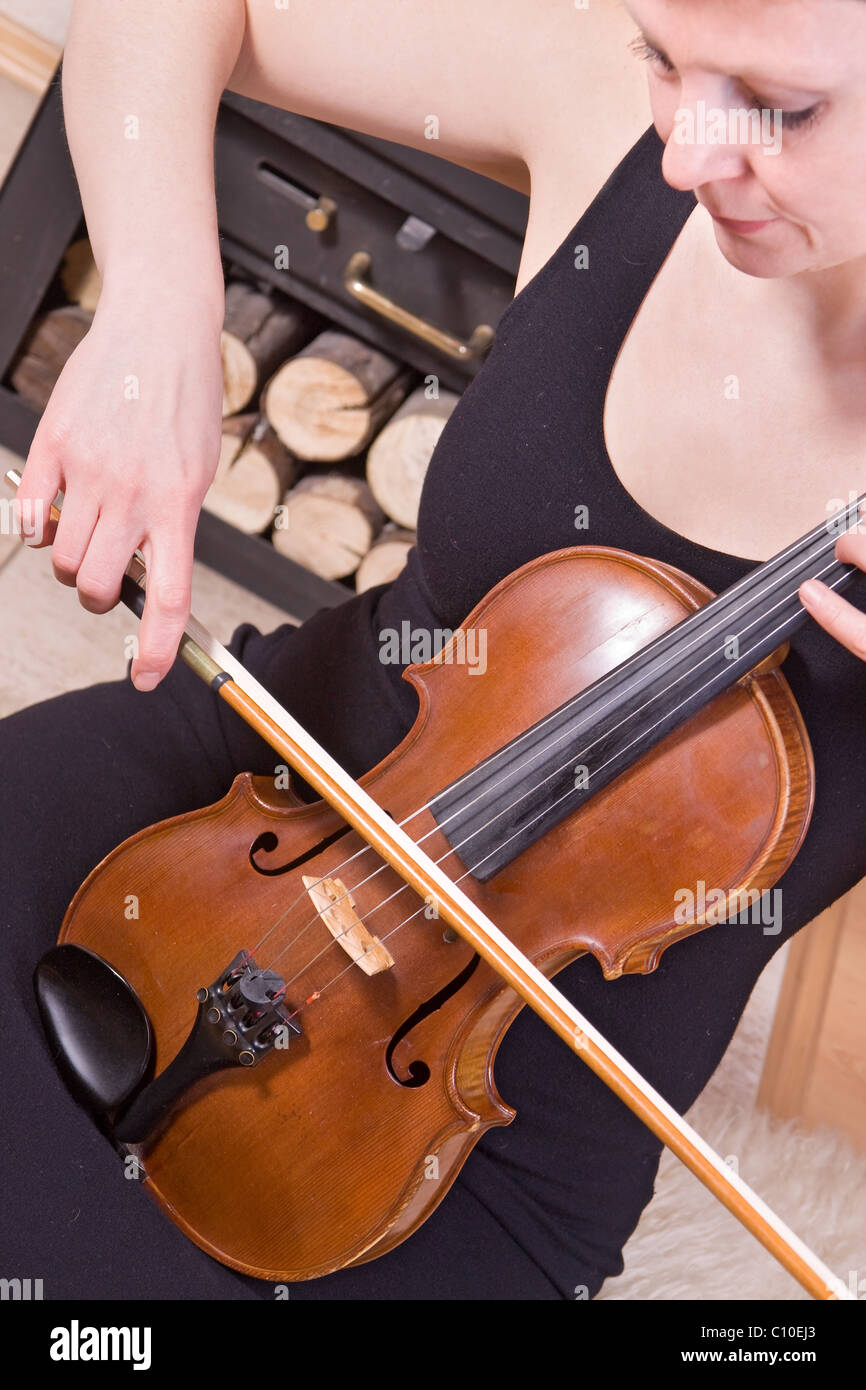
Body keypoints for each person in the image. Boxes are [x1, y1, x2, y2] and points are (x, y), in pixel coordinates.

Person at [3, 0, 866, 1300]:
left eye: (778, 109)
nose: (686, 154)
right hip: (254, 802)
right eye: (661, 58)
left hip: (481, 1128)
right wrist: (156, 296)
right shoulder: (600, 84)